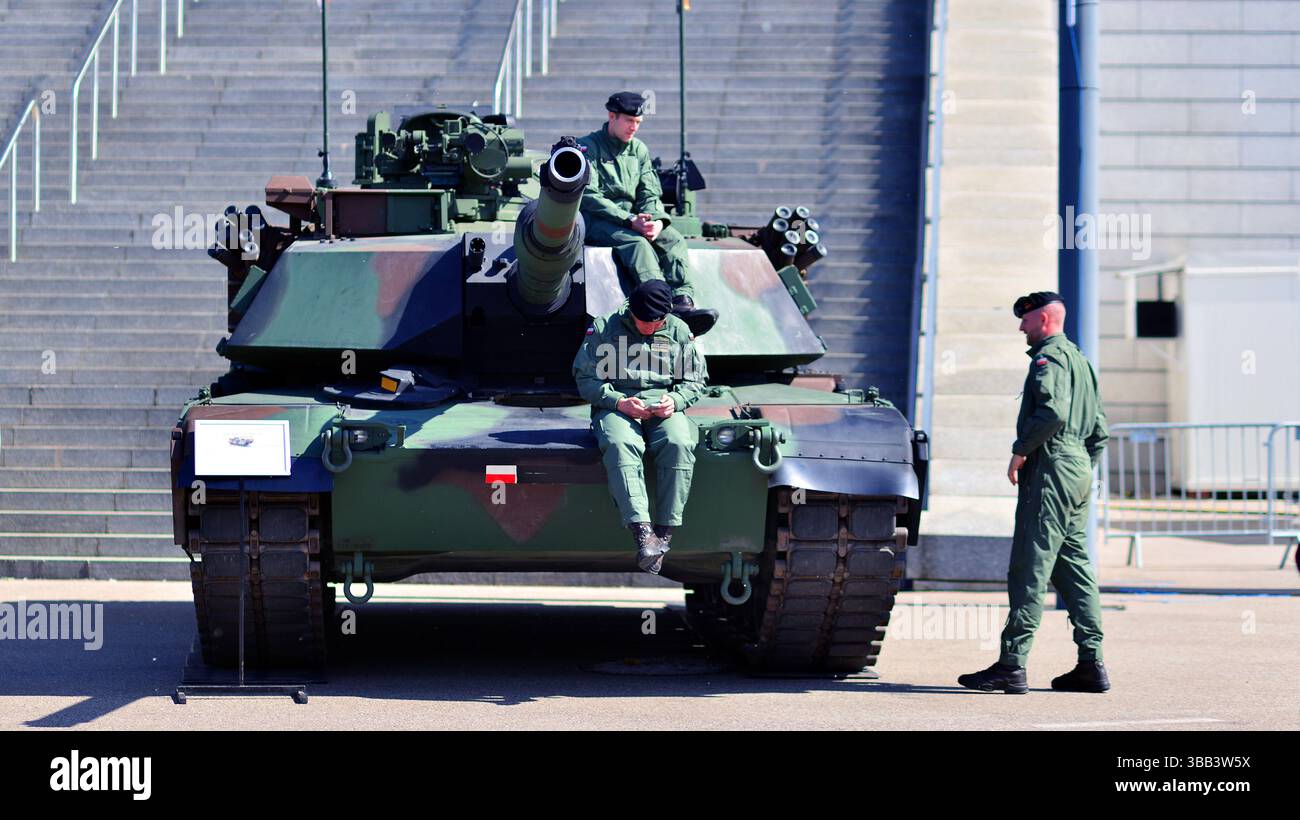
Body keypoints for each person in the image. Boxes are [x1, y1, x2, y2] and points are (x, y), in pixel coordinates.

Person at [958, 291, 1111, 694]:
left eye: (1025, 319)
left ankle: (1011, 664)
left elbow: (1053, 412)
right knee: (1074, 567)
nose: (1020, 326)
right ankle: (1090, 663)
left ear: (1044, 320)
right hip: (1076, 468)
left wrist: (1022, 450)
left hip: (1052, 467)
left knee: (1030, 563)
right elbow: (1100, 430)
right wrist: (1080, 468)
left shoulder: (1050, 358)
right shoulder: (1082, 362)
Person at [572, 279, 708, 574]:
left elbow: (695, 380)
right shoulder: (606, 327)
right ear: (631, 311)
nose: (649, 327)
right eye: (642, 321)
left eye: (656, 322)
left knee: (679, 443)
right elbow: (585, 379)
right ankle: (643, 533)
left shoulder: (678, 330)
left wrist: (675, 399)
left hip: (663, 405)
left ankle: (664, 534)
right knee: (621, 445)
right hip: (618, 404)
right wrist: (619, 402)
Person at [575, 91, 718, 336]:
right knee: (637, 244)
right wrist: (630, 220)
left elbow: (650, 193)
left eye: (638, 123)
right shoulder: (589, 147)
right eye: (629, 121)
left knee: (672, 238)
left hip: (634, 219)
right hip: (598, 221)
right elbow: (590, 197)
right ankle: (660, 306)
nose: (634, 128)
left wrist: (657, 222)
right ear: (612, 116)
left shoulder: (639, 150)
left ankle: (683, 301)